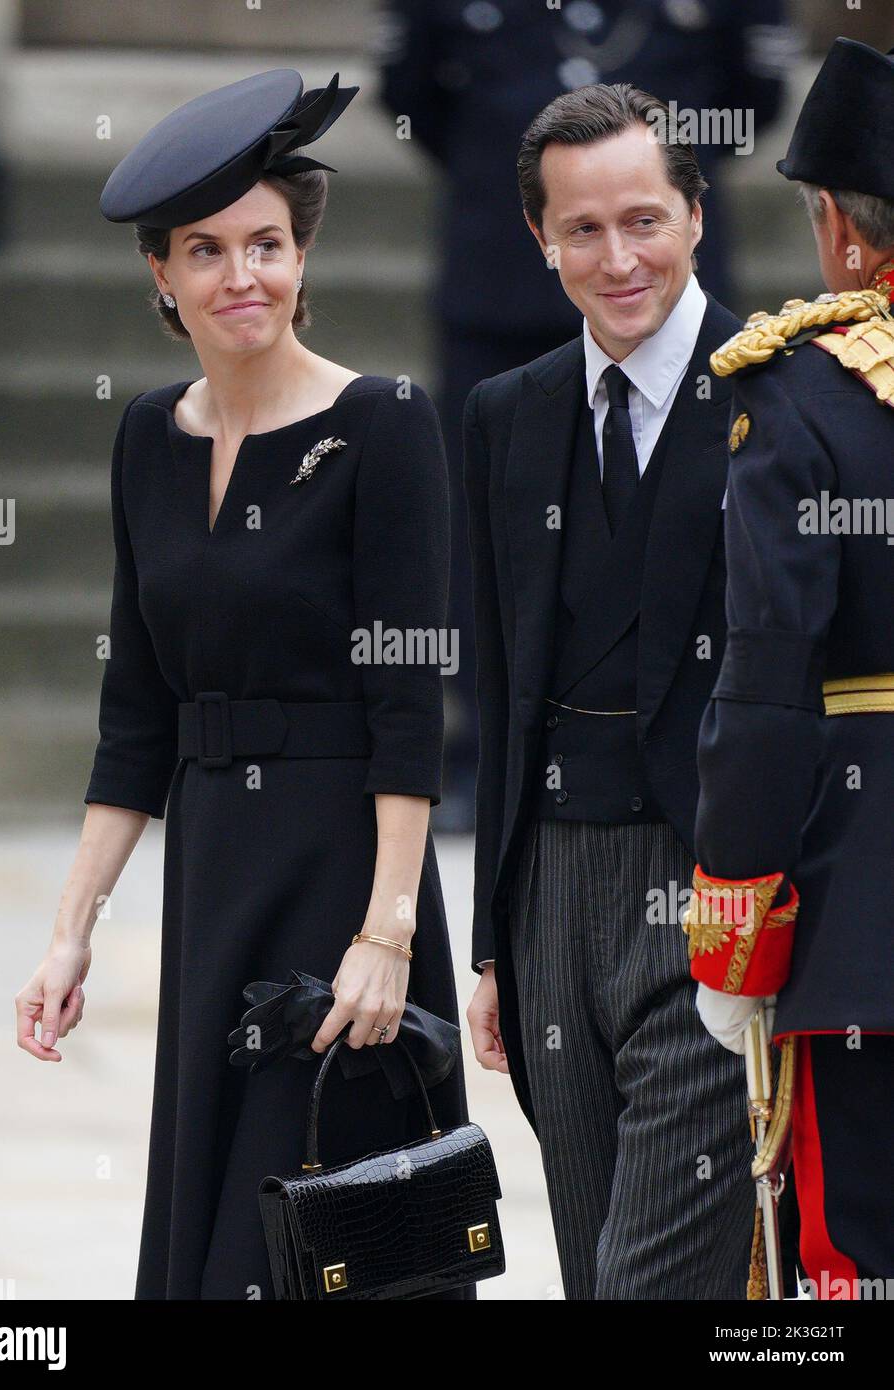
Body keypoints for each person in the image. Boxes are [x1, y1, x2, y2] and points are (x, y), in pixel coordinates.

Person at [13, 68, 473, 1301]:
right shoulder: (145, 441)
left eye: (266, 244)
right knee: (218, 1220)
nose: (243, 277)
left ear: (302, 254)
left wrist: (388, 934)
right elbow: (135, 718)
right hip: (216, 867)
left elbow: (405, 705)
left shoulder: (384, 424)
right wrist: (72, 931)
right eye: (207, 251)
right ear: (160, 275)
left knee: (331, 1230)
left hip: (340, 871)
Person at [462, 82, 757, 1298]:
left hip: (708, 892)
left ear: (694, 213)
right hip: (547, 902)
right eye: (581, 229)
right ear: (540, 239)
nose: (617, 257)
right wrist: (491, 942)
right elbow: (496, 682)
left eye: (643, 219)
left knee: (651, 1279)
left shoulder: (777, 398)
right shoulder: (501, 414)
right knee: (593, 1272)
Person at [377, 0, 796, 829]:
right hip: (496, 274)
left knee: (693, 510)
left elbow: (754, 91)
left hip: (664, 282)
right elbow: (410, 91)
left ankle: (694, 734)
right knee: (486, 525)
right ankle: (486, 752)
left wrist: (649, 200)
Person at [687, 36, 894, 1298]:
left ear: (838, 231)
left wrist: (734, 917)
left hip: (861, 911)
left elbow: (764, 686)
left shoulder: (801, 399)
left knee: (849, 1258)